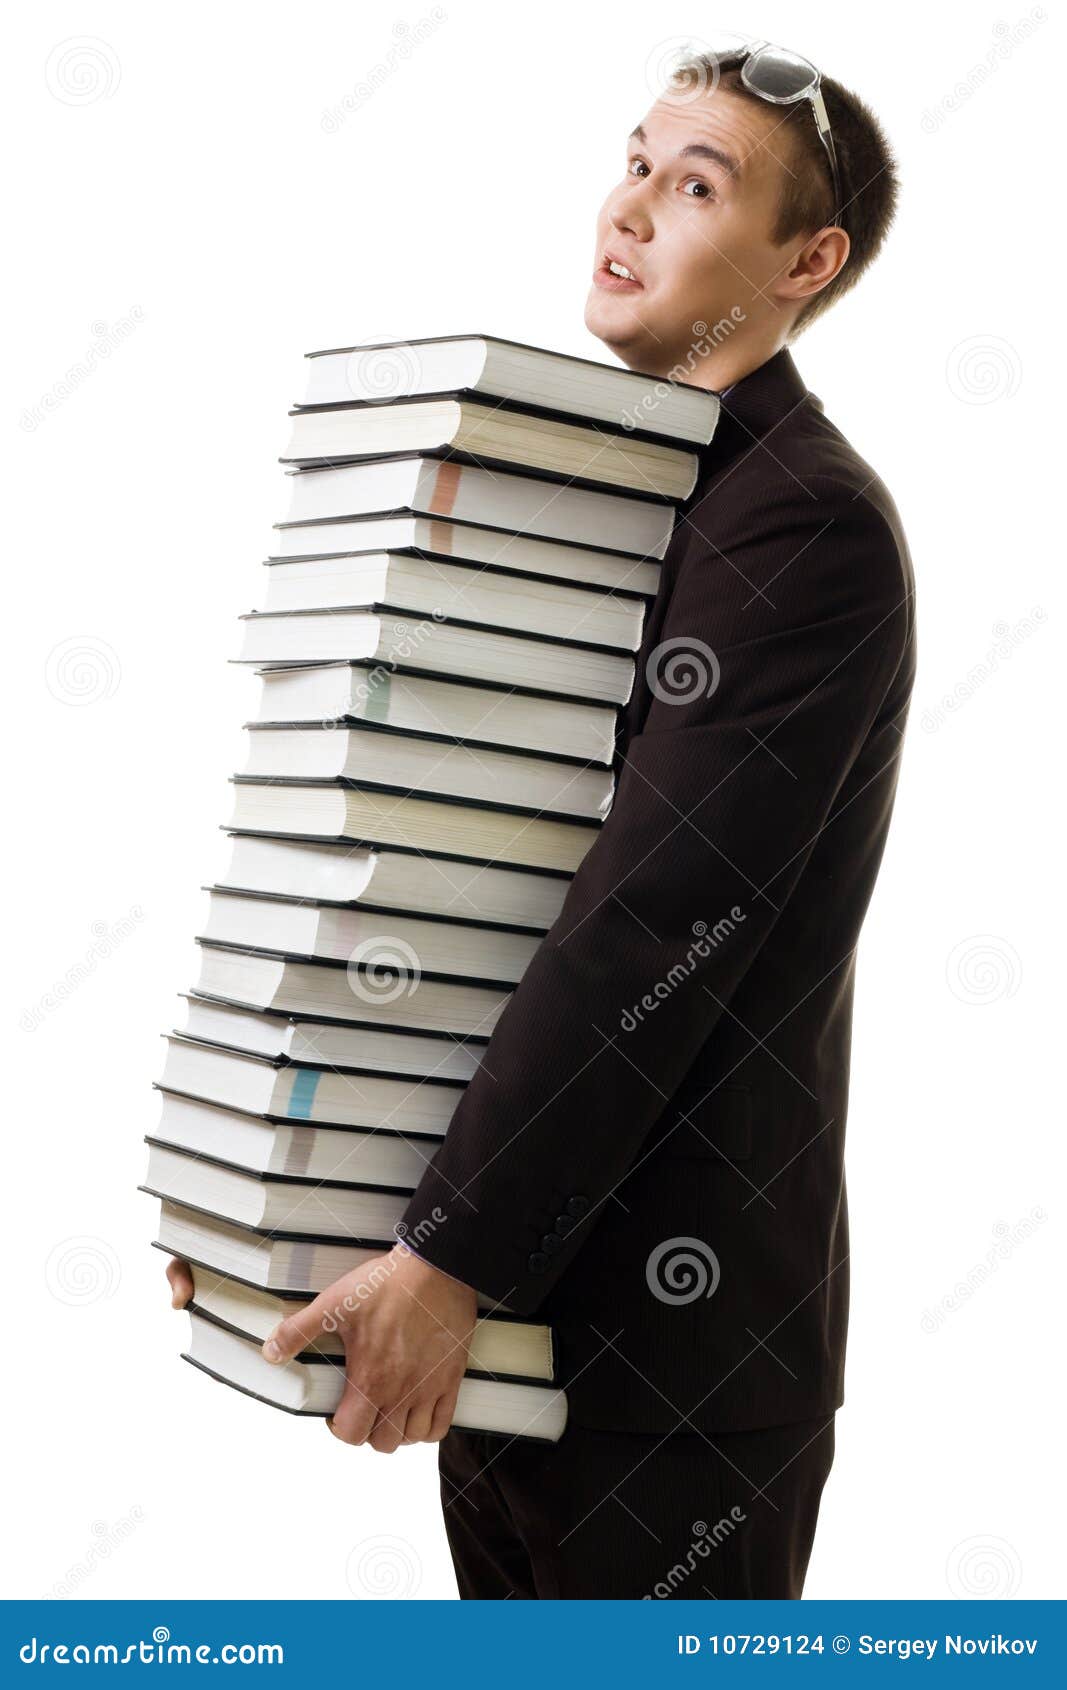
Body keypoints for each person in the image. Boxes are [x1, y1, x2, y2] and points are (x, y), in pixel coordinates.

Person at [167, 40, 916, 1599]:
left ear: (806, 260)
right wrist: (298, 1228)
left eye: (695, 184)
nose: (629, 208)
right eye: (632, 161)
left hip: (672, 1382)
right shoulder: (602, 497)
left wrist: (445, 1256)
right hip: (520, 1337)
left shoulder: (804, 525)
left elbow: (649, 924)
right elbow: (473, 898)